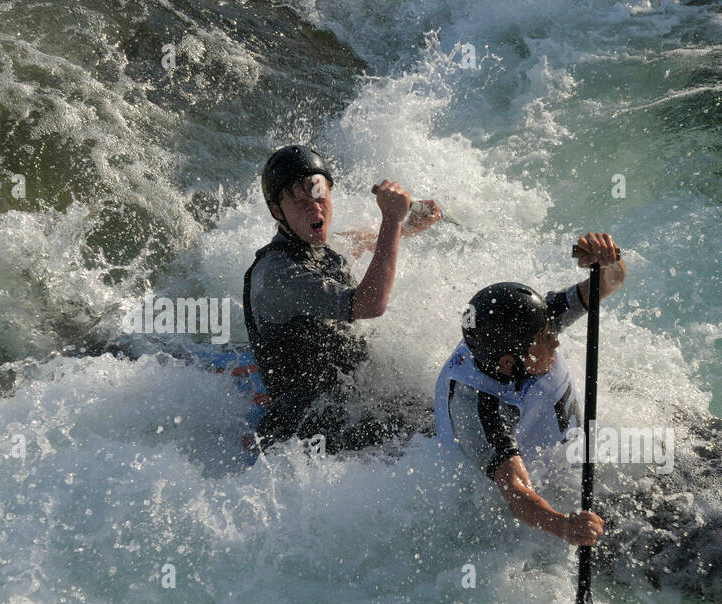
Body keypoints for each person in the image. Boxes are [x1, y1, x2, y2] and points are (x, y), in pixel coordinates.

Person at [242, 145, 441, 453]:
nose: (315, 209)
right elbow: (370, 304)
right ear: (276, 211)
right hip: (311, 423)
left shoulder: (313, 245)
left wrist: (405, 225)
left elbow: (357, 241)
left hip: (346, 396)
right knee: (435, 431)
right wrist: (390, 219)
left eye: (320, 194)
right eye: (300, 201)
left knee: (440, 406)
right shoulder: (277, 274)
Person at [434, 233, 625, 546]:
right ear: (509, 363)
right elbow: (516, 492)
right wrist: (564, 526)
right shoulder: (482, 406)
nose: (556, 340)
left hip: (571, 462)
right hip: (527, 508)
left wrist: (609, 261)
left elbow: (611, 283)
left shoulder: (530, 322)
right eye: (546, 339)